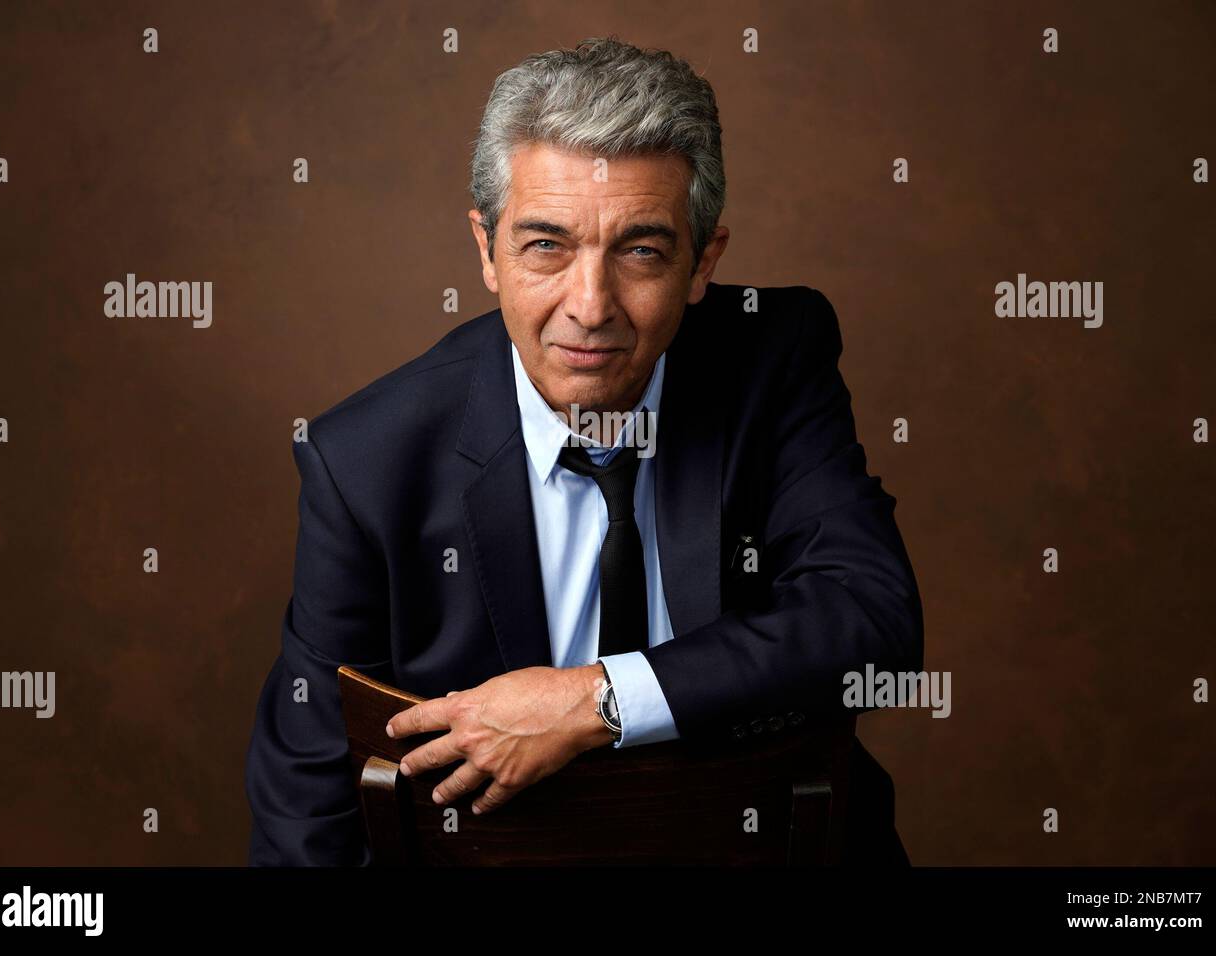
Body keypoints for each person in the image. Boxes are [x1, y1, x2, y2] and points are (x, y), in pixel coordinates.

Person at [244, 35, 923, 866]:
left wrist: (595, 700)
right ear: (486, 251)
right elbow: (307, 796)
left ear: (703, 261)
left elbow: (871, 618)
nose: (591, 306)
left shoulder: (772, 359)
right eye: (545, 246)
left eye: (640, 249)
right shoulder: (364, 462)